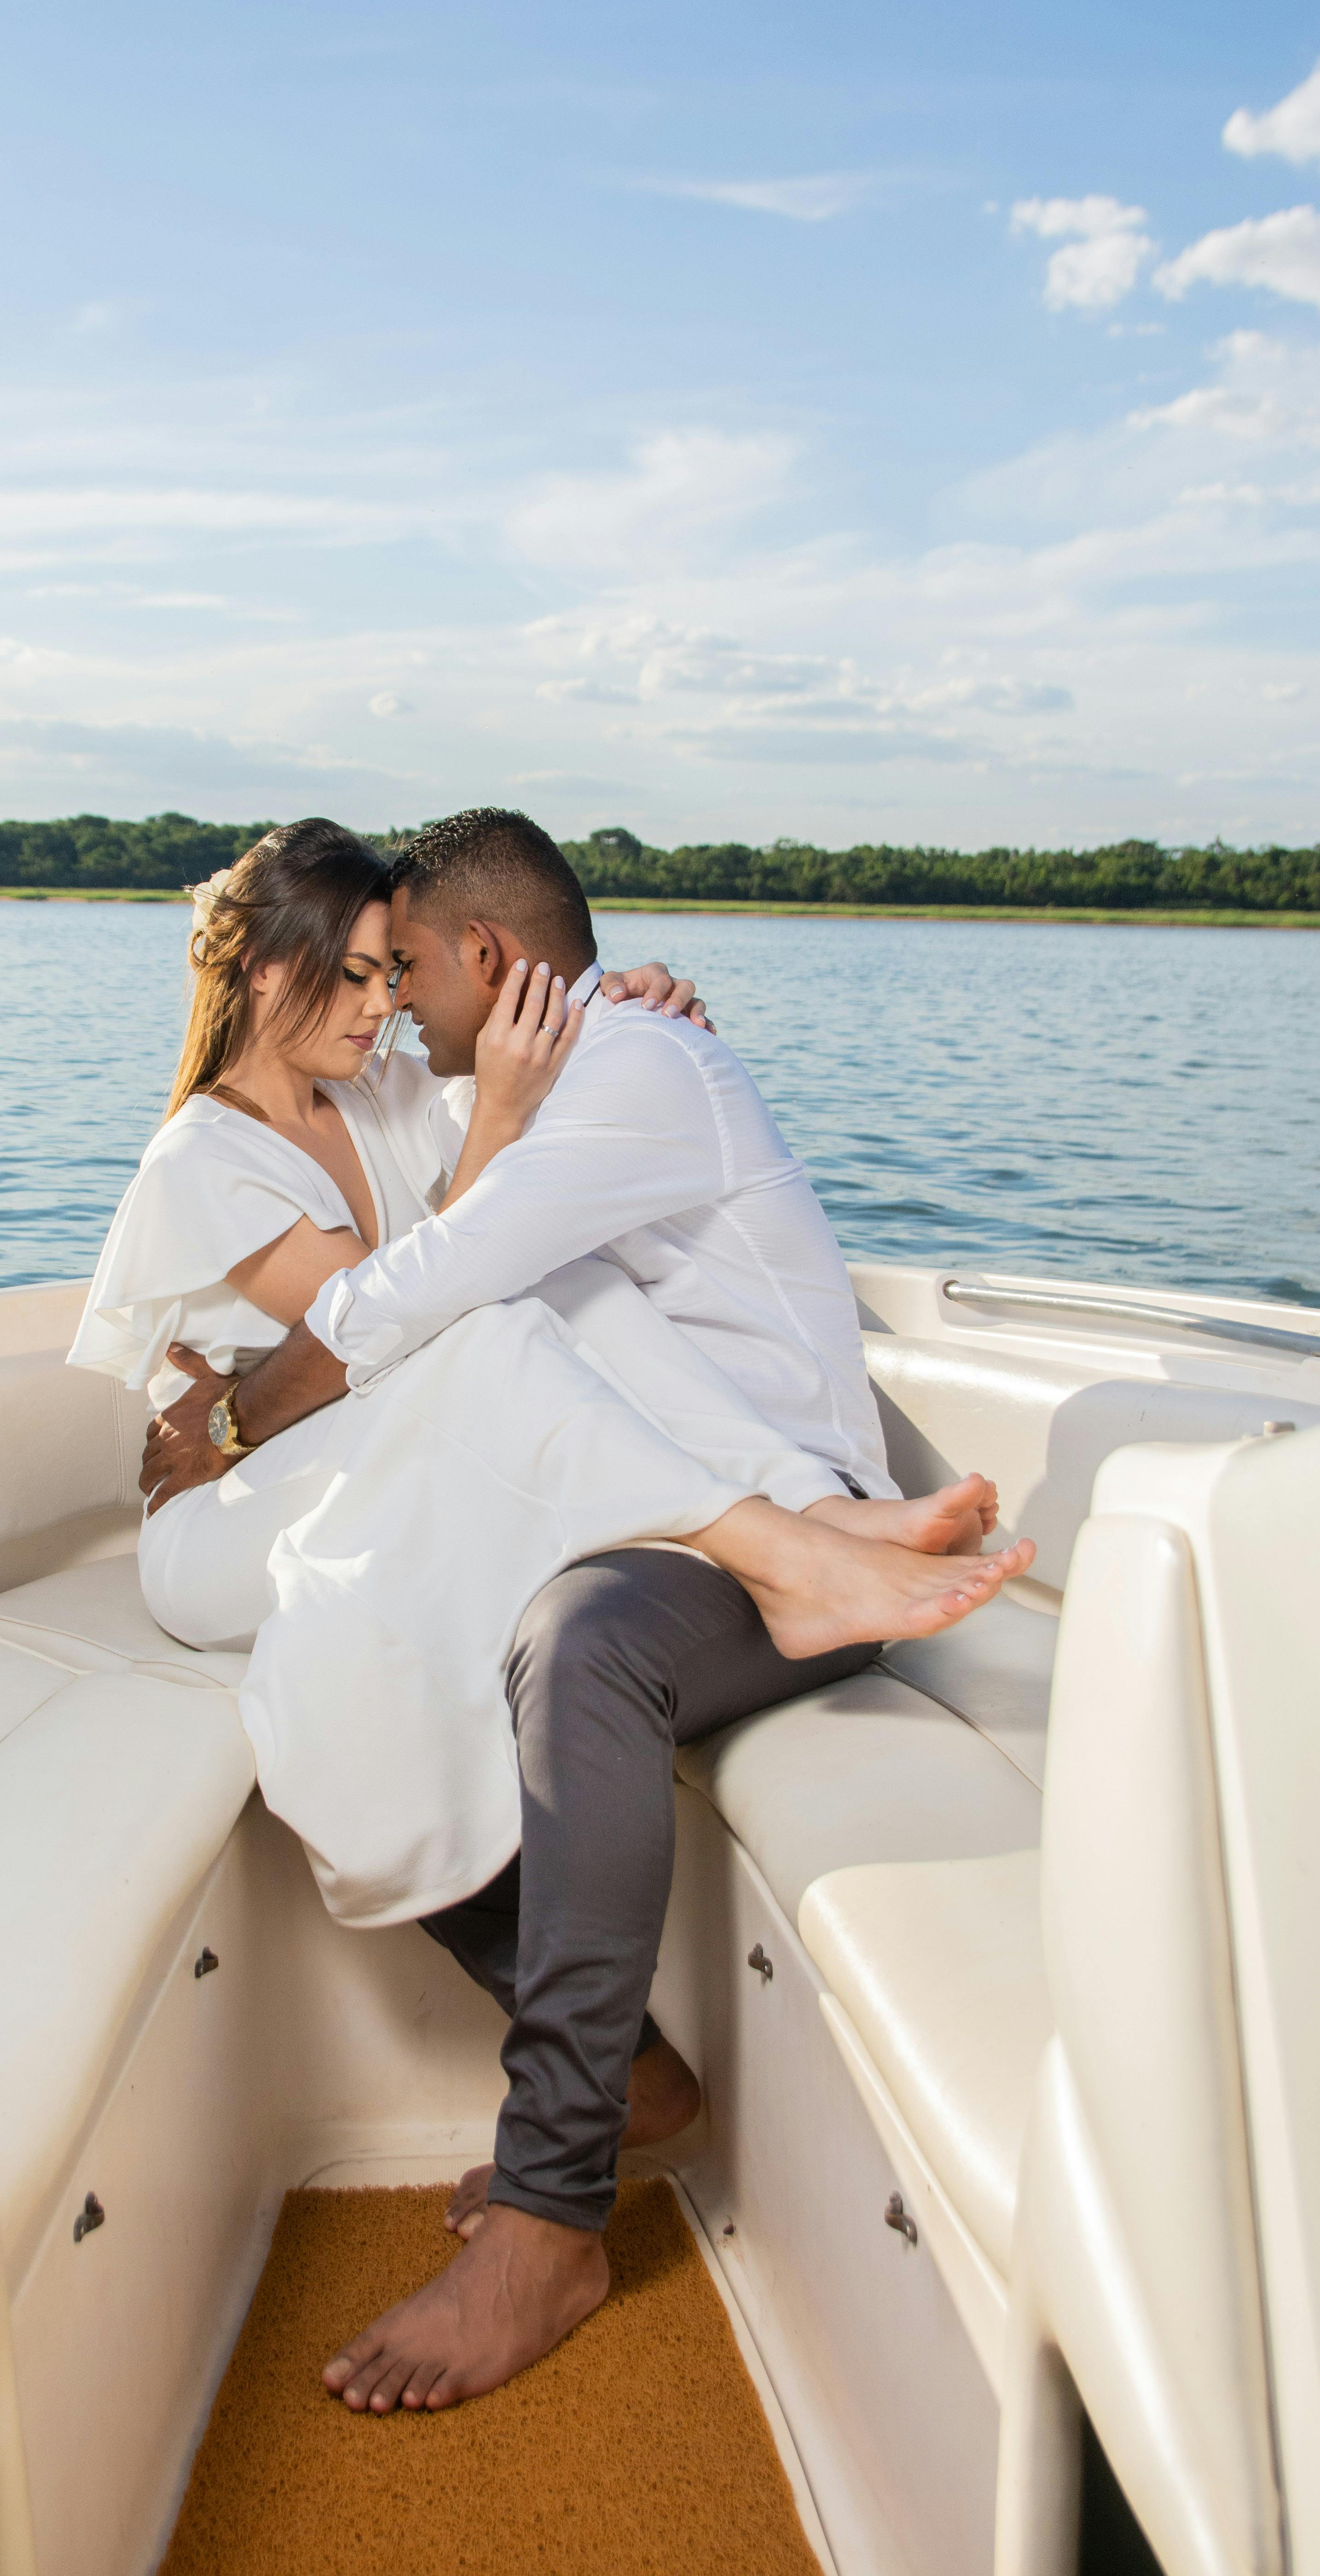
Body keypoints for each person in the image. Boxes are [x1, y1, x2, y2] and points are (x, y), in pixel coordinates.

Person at [128, 809, 1031, 2416]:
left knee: (568, 1608)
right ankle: (628, 2076)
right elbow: (425, 1294)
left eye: (401, 969)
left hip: (711, 1522)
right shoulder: (474, 1095)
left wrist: (276, 1383)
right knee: (373, 1618)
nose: (390, 1006)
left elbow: (415, 1295)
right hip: (610, 1498)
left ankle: (552, 2215)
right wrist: (242, 1417)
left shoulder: (608, 1072)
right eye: (359, 977)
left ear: (481, 956)